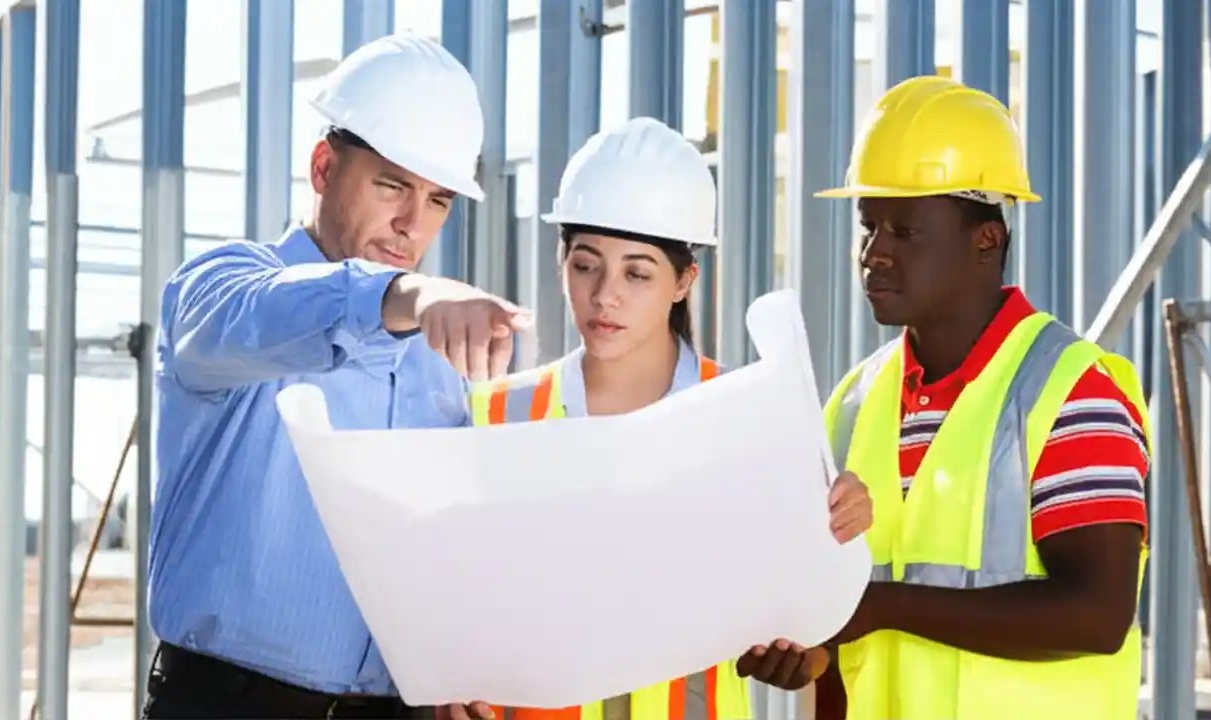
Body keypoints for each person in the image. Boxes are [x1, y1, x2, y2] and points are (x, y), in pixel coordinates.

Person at [143, 34, 522, 720]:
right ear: (323, 167)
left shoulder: (442, 364)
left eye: (437, 200)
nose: (413, 223)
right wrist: (400, 296)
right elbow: (270, 313)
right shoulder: (222, 290)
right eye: (392, 185)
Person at [753, 76, 1151, 719]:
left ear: (985, 240)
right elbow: (838, 618)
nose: (874, 254)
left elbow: (1097, 614)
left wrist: (882, 609)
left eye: (905, 231)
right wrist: (809, 649)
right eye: (869, 226)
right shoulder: (853, 404)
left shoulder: (1071, 391)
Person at [466, 116, 874, 720]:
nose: (605, 295)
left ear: (684, 279)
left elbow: (805, 636)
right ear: (561, 263)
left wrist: (840, 532)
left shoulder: (753, 415)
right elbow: (459, 604)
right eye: (586, 265)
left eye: (637, 272)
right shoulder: (495, 414)